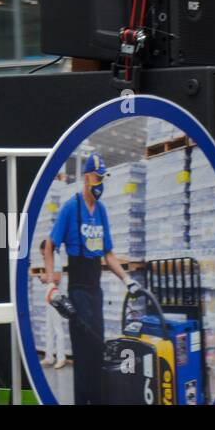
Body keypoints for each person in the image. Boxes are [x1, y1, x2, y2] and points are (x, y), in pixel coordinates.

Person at [41, 153, 137, 405]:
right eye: (97, 177)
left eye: (103, 178)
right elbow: (50, 246)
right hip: (78, 288)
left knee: (97, 352)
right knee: (84, 353)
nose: (100, 183)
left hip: (96, 289)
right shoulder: (71, 208)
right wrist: (51, 283)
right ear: (86, 178)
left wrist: (127, 280)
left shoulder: (101, 210)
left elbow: (108, 253)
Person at [43, 269, 68, 369]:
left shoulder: (55, 258)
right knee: (49, 328)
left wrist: (45, 278)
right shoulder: (49, 260)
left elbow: (57, 279)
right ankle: (49, 357)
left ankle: (61, 358)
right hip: (50, 296)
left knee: (57, 328)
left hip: (56, 296)